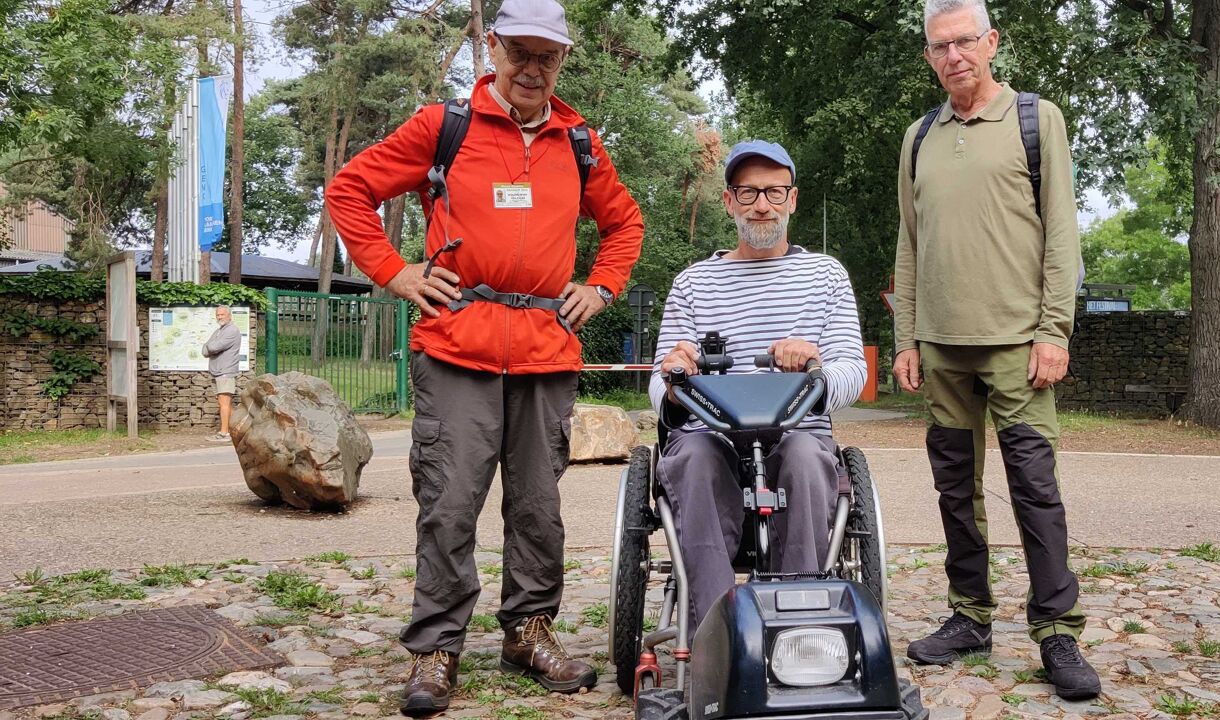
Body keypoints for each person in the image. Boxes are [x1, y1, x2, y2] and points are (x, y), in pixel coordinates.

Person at [325, 0, 644, 714]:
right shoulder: (445, 127)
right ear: (492, 47)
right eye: (520, 52)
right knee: (449, 502)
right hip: (455, 345)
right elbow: (349, 190)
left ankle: (529, 633)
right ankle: (437, 648)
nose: (532, 68)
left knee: (538, 507)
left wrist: (601, 286)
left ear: (562, 60)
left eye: (547, 56)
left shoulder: (579, 142)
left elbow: (624, 222)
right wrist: (395, 271)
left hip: (544, 350)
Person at [892, 0, 1099, 700]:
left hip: (1018, 345)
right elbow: (909, 243)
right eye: (939, 46)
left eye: (964, 42)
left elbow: (1061, 233)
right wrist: (906, 337)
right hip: (942, 349)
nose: (953, 56)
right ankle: (970, 617)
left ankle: (1057, 630)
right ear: (929, 56)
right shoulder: (919, 136)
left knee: (1035, 488)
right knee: (955, 492)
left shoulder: (1036, 120)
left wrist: (1054, 331)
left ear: (991, 42)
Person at [649, 140, 867, 631]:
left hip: (798, 430)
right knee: (694, 457)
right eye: (748, 193)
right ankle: (716, 634)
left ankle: (799, 624)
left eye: (774, 192)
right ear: (729, 201)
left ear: (793, 199)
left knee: (806, 457)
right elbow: (661, 388)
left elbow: (853, 370)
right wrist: (674, 378)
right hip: (709, 434)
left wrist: (815, 366)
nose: (762, 205)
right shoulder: (692, 283)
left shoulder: (826, 275)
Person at [201, 305, 240, 442]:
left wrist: (210, 346)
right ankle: (236, 431)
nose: (219, 317)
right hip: (216, 372)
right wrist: (209, 346)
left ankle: (224, 434)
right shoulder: (218, 331)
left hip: (225, 372)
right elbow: (205, 350)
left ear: (229, 315)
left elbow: (213, 347)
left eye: (222, 314)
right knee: (224, 404)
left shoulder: (232, 330)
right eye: (218, 315)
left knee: (224, 403)